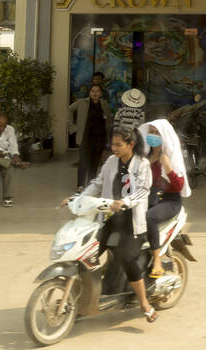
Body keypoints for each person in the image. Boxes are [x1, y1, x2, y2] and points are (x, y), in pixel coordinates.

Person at [62, 128, 156, 322]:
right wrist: (77, 197)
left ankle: (144, 303)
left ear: (131, 145)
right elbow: (97, 183)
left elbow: (143, 191)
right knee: (88, 254)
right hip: (108, 218)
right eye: (113, 144)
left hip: (131, 222)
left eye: (118, 145)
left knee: (127, 259)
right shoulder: (111, 161)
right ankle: (84, 302)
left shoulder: (142, 164)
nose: (114, 148)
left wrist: (124, 202)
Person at [138, 118, 189, 278]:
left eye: (156, 133)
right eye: (150, 132)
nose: (152, 135)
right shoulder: (144, 157)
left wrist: (167, 167)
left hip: (170, 201)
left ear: (164, 136)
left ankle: (157, 261)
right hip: (148, 198)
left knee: (149, 217)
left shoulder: (169, 157)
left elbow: (178, 186)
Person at [69, 83, 112, 190]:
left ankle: (91, 183)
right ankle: (80, 185)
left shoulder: (104, 104)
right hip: (85, 137)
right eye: (92, 91)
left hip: (100, 138)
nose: (95, 93)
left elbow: (109, 119)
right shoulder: (82, 102)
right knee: (83, 161)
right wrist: (73, 127)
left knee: (95, 162)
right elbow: (69, 110)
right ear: (89, 92)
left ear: (101, 93)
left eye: (97, 91)